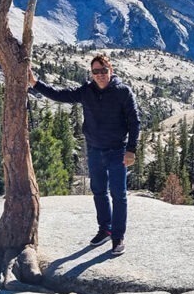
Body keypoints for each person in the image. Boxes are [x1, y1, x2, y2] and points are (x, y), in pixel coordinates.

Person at [28, 54, 140, 255]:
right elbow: (60, 95)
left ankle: (117, 236)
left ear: (111, 70)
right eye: (96, 72)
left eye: (103, 70)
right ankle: (104, 229)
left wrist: (131, 150)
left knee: (119, 195)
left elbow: (134, 122)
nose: (100, 75)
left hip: (117, 151)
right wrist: (36, 83)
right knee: (98, 191)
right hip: (95, 149)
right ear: (91, 73)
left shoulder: (123, 92)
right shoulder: (86, 91)